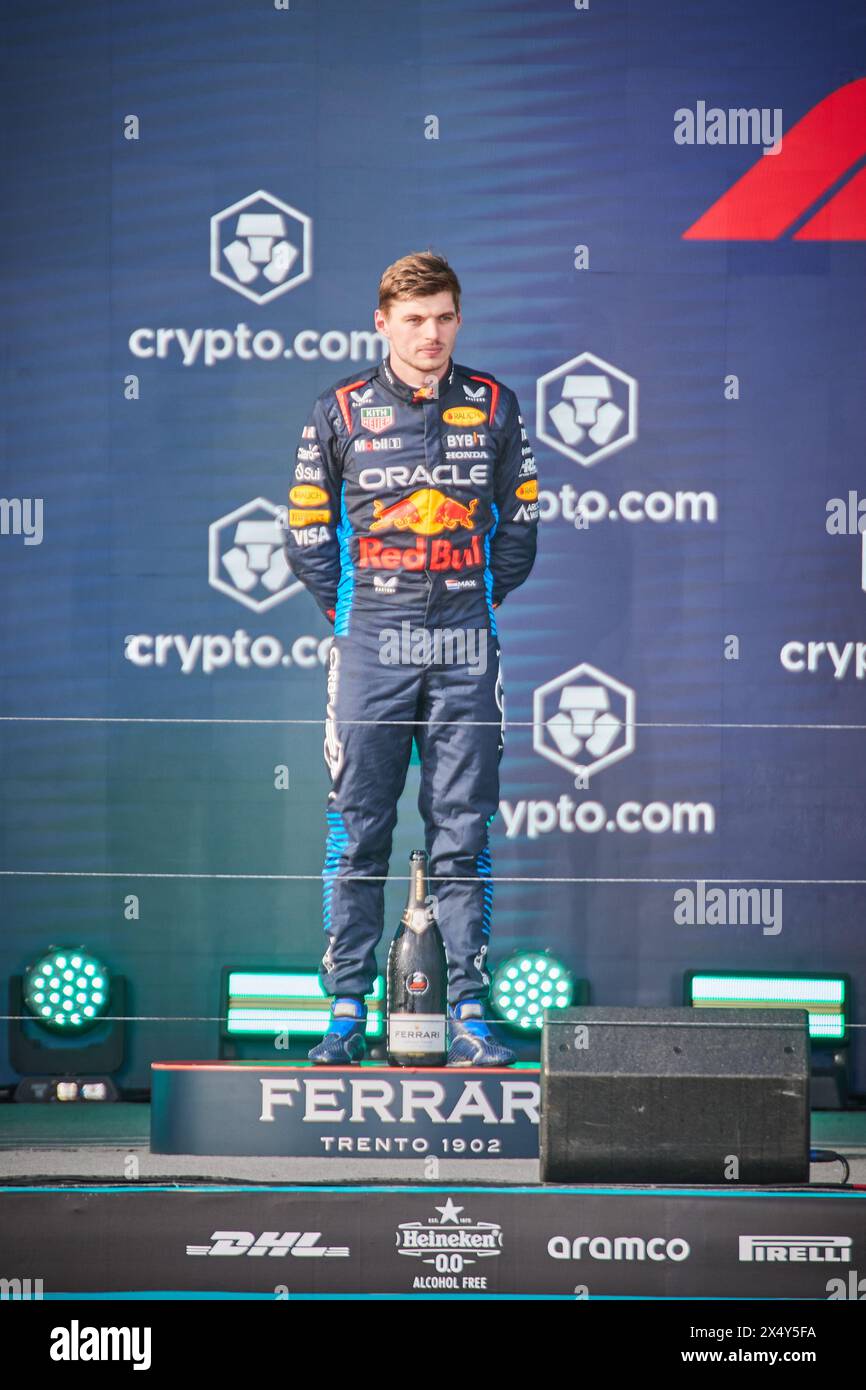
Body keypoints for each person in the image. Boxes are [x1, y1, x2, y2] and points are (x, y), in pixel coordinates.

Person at [280, 251, 539, 1065]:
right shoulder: (340, 409)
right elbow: (307, 534)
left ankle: (467, 1012)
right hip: (373, 644)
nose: (431, 334)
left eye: (444, 318)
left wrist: (469, 601)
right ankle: (347, 1013)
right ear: (382, 323)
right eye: (415, 319)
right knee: (358, 831)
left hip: (465, 641)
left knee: (463, 833)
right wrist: (358, 614)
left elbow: (521, 528)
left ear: (459, 320)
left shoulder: (495, 404)